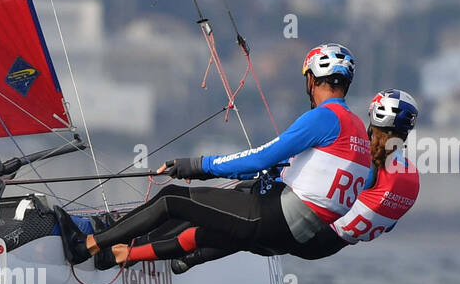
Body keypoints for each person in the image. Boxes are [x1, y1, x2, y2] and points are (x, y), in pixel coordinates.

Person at [55, 42, 371, 267]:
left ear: (312, 79)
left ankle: (86, 246)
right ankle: (122, 256)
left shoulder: (325, 117)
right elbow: (310, 175)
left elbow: (262, 158)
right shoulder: (357, 130)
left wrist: (199, 166)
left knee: (172, 200)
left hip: (275, 217)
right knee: (202, 228)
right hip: (296, 237)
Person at [170, 88, 422, 272]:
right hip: (326, 247)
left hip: (310, 231)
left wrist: (270, 169)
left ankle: (172, 247)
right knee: (253, 229)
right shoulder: (410, 176)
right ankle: (189, 259)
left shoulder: (365, 159)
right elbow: (386, 225)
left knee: (248, 201)